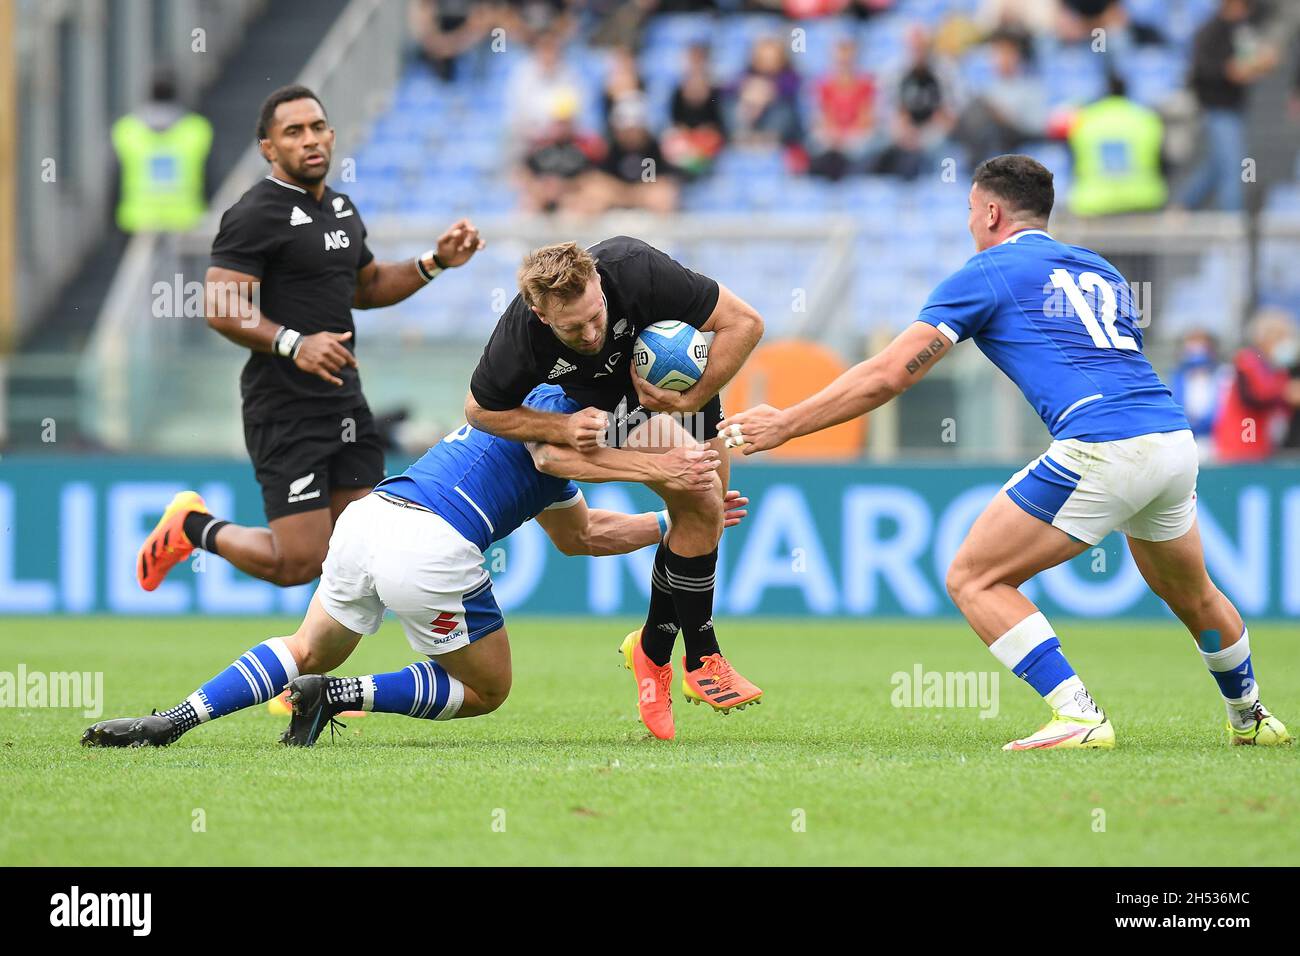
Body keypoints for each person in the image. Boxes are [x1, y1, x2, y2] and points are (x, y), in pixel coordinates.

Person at [721, 154, 1291, 751]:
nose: (970, 224)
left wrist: (786, 422)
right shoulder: (1101, 271)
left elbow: (891, 372)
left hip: (1102, 443)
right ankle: (1251, 715)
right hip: (1171, 440)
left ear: (991, 211)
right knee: (1193, 592)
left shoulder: (988, 270)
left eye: (971, 211)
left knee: (975, 577)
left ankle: (1078, 714)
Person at [84, 386, 747, 748]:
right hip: (432, 548)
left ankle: (175, 719)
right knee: (487, 691)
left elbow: (583, 533)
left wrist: (674, 523)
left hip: (369, 520)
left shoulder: (519, 407)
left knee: (309, 647)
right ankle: (344, 697)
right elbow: (572, 504)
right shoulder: (563, 428)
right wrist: (678, 496)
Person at [135, 85, 485, 593]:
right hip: (284, 408)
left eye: (317, 128)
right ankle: (190, 527)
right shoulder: (255, 213)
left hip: (344, 403)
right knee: (297, 564)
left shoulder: (342, 209)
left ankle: (331, 668)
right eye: (293, 132)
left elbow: (368, 287)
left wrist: (434, 263)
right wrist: (294, 343)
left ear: (332, 135)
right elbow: (220, 306)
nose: (310, 140)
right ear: (268, 148)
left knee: (363, 554)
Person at [465, 238, 765, 740]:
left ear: (600, 285)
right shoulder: (520, 336)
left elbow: (746, 324)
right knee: (702, 496)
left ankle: (650, 649)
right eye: (571, 327)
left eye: (594, 316)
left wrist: (689, 398)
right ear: (540, 315)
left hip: (683, 389)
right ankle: (702, 654)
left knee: (705, 517)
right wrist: (561, 429)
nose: (589, 333)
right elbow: (479, 411)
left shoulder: (637, 269)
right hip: (614, 411)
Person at [1176, 0, 1278, 212]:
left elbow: (1259, 59)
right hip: (1218, 107)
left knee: (1215, 167)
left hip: (1236, 106)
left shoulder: (1245, 26)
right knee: (1234, 167)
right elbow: (1208, 71)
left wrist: (1258, 64)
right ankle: (1232, 226)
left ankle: (1179, 208)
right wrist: (1235, 70)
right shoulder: (1210, 31)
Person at [110, 67, 213, 234]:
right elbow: (209, 177)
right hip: (186, 221)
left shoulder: (127, 130)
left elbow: (115, 181)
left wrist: (112, 221)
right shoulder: (196, 129)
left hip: (137, 222)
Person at [1067, 72, 1168, 216]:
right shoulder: (1146, 118)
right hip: (1142, 200)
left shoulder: (1084, 119)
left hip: (1095, 202)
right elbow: (1162, 160)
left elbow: (1074, 159)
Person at [1212, 308, 1300, 462]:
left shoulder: (1277, 368)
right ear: (1266, 337)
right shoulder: (1248, 360)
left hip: (1263, 445)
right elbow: (1253, 397)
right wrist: (1285, 393)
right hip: (1242, 442)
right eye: (1281, 336)